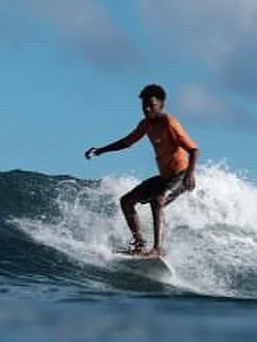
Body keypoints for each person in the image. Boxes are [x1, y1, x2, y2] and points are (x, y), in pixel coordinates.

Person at [84, 84, 199, 257]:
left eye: (151, 105)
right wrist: (100, 150)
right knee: (127, 201)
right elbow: (127, 142)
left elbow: (194, 149)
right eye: (144, 105)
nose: (147, 109)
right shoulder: (146, 125)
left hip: (181, 176)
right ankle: (139, 245)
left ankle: (158, 248)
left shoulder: (170, 124)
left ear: (161, 105)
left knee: (157, 200)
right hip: (165, 177)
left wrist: (190, 174)